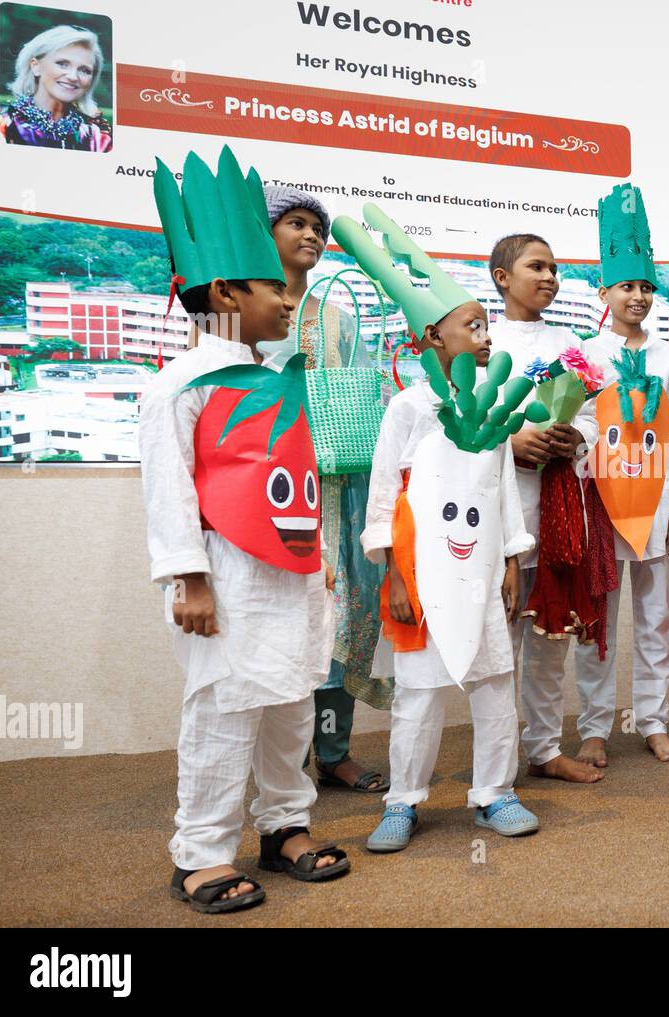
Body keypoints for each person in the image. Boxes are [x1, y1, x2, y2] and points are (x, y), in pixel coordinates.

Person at [141, 146, 347, 915]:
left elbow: (292, 484)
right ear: (226, 289)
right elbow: (169, 488)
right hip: (222, 579)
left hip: (289, 576)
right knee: (225, 709)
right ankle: (199, 850)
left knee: (292, 698)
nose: (286, 298)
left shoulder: (273, 379)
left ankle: (285, 822)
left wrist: (315, 557)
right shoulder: (178, 385)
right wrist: (187, 576)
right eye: (270, 287)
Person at [345, 208, 541, 847]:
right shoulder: (408, 407)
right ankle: (403, 801)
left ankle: (494, 791)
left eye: (487, 325)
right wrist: (396, 576)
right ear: (432, 338)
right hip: (422, 578)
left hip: (482, 575)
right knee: (420, 697)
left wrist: (512, 561)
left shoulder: (492, 403)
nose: (485, 336)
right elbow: (382, 500)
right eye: (472, 326)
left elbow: (503, 490)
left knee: (492, 686)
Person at [262, 184, 392, 794]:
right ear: (266, 232)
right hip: (273, 491)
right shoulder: (238, 308)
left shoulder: (336, 315)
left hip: (341, 487)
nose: (312, 235)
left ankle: (334, 751)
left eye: (318, 226)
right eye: (296, 223)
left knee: (341, 618)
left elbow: (361, 399)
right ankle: (277, 765)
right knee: (283, 624)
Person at [576, 183, 669, 765]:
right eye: (627, 286)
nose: (639, 297)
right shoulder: (585, 354)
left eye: (647, 287)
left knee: (655, 621)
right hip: (601, 504)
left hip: (656, 505)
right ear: (605, 290)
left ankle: (652, 721)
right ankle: (595, 728)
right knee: (597, 623)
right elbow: (573, 422)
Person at [488, 233, 605, 783]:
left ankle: (545, 749)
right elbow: (455, 417)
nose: (550, 277)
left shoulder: (569, 341)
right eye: (537, 266)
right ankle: (495, 762)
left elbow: (593, 419)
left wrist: (572, 439)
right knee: (500, 644)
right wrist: (509, 442)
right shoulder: (480, 338)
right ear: (501, 276)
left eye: (555, 269)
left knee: (550, 641)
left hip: (557, 513)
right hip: (497, 515)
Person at [0, 25, 111, 151]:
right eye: (62, 64)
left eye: (85, 70)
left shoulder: (96, 137)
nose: (73, 77)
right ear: (36, 67)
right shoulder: (3, 123)